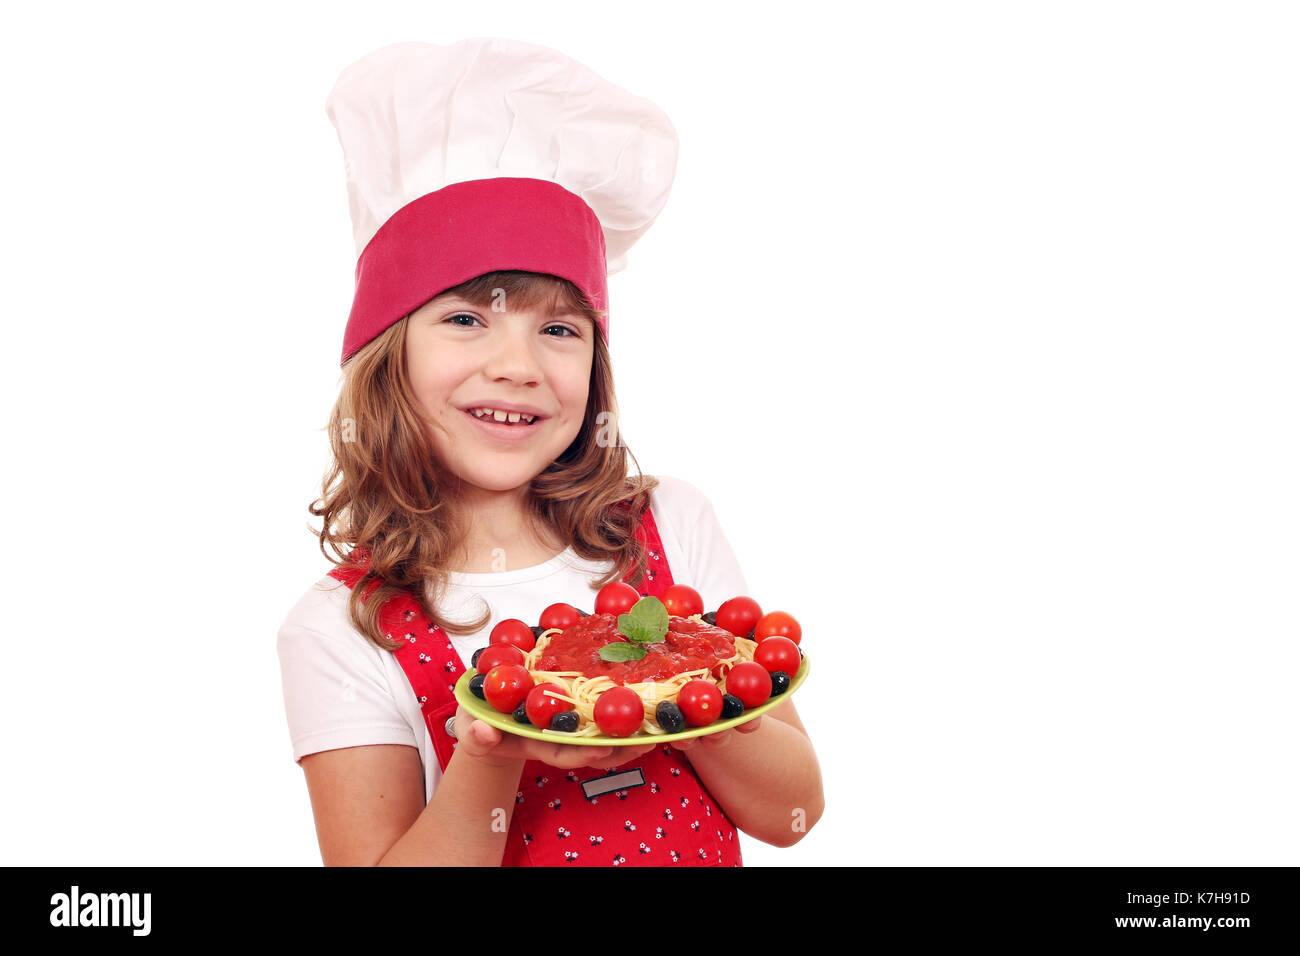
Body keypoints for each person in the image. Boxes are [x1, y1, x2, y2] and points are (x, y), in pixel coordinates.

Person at [276, 38, 823, 866]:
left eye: (559, 330)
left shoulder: (668, 524)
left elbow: (793, 813)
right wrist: (490, 748)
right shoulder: (340, 627)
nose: (518, 366)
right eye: (465, 319)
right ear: (388, 354)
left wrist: (680, 688)